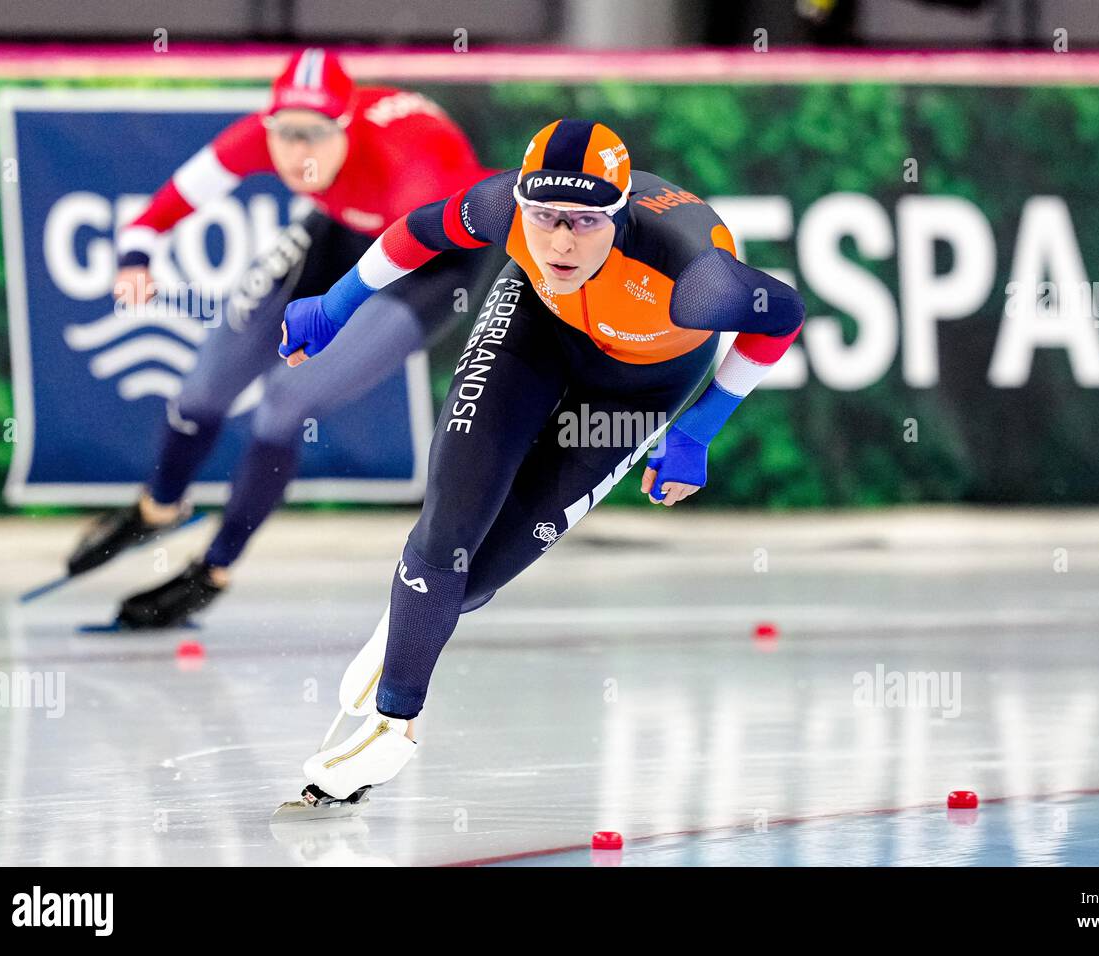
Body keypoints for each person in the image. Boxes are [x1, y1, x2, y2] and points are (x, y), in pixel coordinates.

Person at [275, 119, 805, 811]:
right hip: (535, 326)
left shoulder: (695, 281)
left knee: (475, 575)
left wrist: (700, 427)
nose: (560, 241)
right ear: (522, 202)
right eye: (546, 216)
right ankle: (394, 727)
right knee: (448, 527)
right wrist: (335, 305)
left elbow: (783, 315)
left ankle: (412, 621)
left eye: (585, 222)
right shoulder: (503, 211)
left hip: (639, 387)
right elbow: (417, 232)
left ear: (617, 216)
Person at [66, 48, 497, 628]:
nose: (299, 155)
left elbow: (407, 252)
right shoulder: (260, 138)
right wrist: (134, 261)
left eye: (316, 136)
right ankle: (158, 507)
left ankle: (214, 569)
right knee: (202, 390)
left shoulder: (410, 162)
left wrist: (332, 313)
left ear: (348, 128)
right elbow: (152, 217)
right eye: (286, 135)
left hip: (428, 262)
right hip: (340, 230)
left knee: (284, 401)